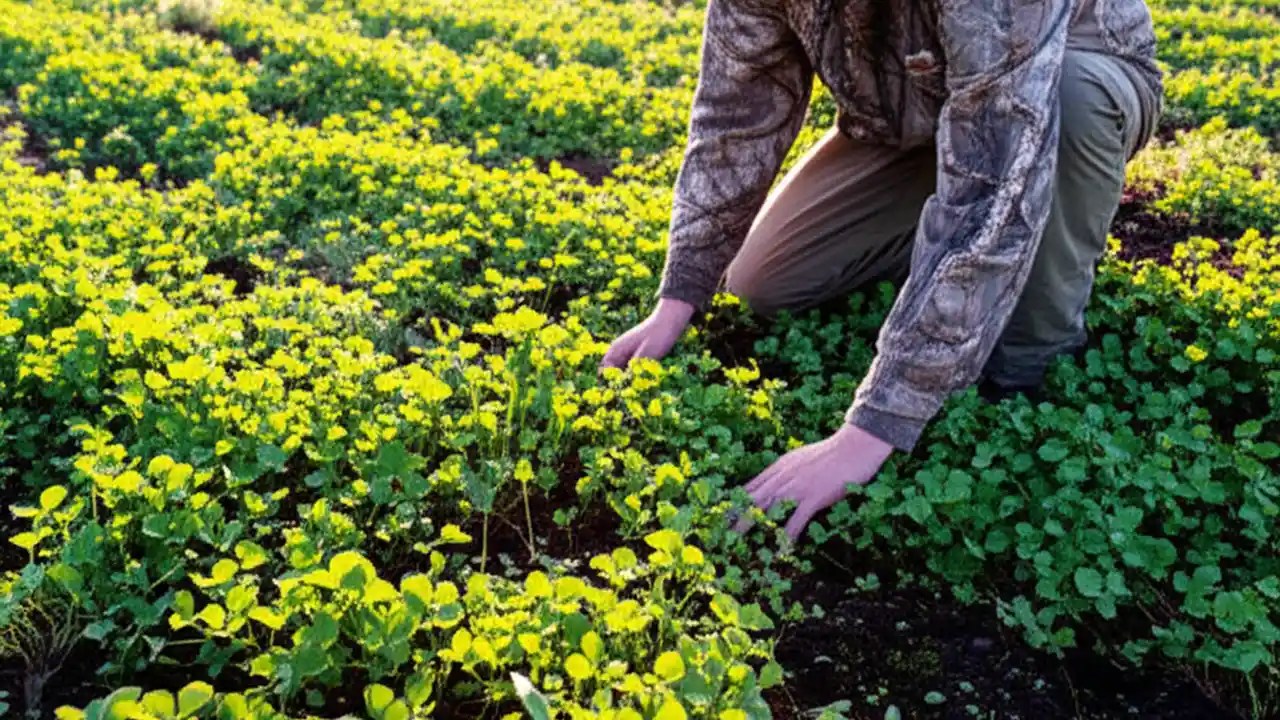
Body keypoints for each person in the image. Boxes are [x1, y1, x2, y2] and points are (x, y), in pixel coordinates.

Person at [599, 0, 1163, 541]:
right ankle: (949, 251)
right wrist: (680, 295)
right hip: (921, 114)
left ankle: (1032, 353)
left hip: (1060, 81)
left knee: (1072, 101)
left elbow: (1000, 168)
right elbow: (732, 117)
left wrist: (867, 433)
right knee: (760, 282)